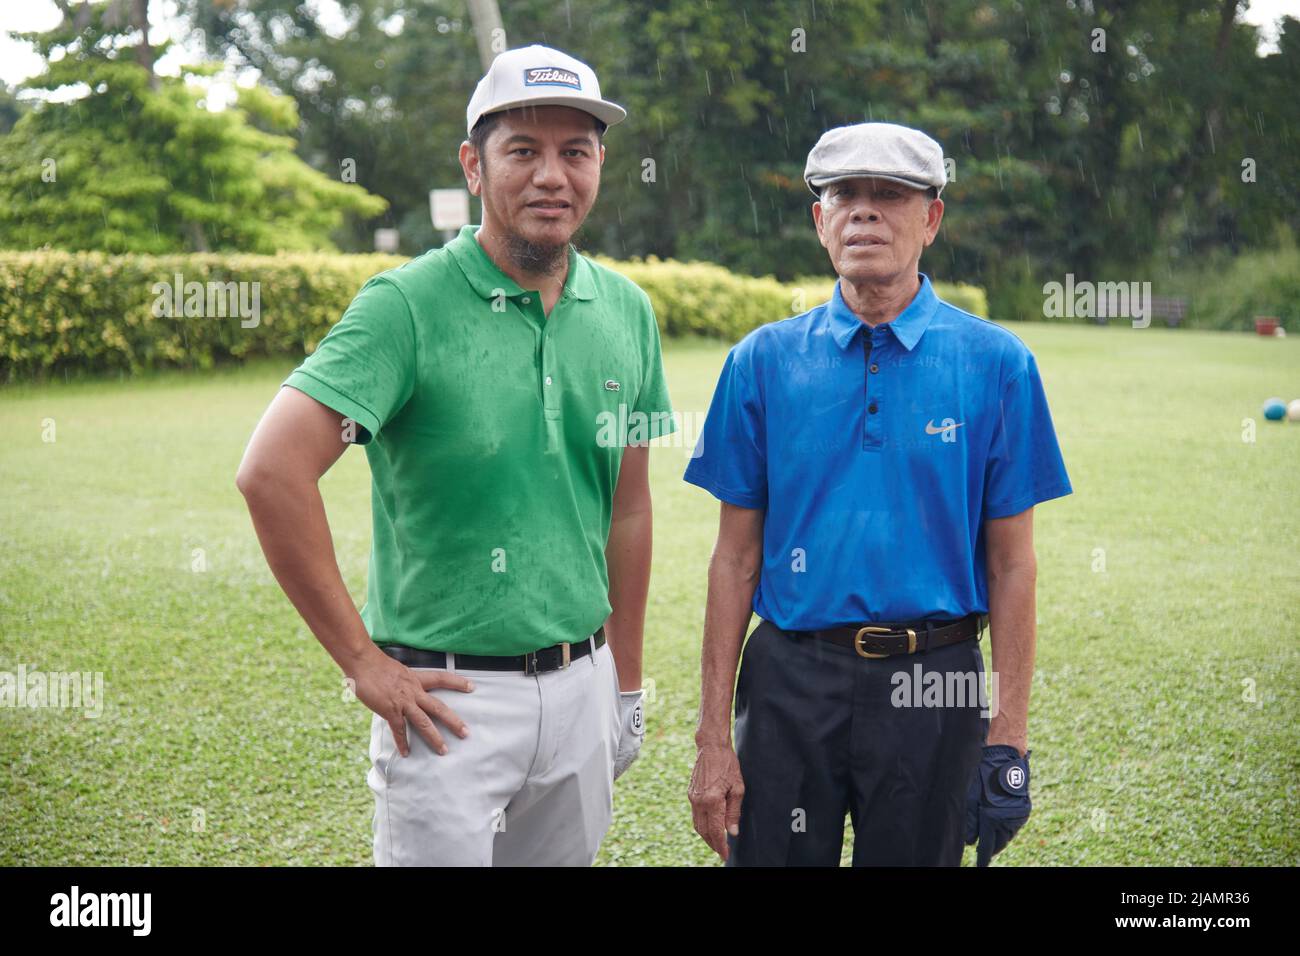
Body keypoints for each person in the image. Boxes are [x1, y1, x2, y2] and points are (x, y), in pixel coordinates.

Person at [236, 44, 675, 866]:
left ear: (600, 165)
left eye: (575, 152)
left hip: (583, 686)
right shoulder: (404, 308)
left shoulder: (625, 311)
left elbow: (628, 506)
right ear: (474, 167)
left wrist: (624, 685)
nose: (553, 176)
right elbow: (271, 472)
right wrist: (364, 664)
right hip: (448, 708)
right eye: (523, 151)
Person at [683, 121, 1072, 866]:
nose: (865, 212)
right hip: (789, 680)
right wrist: (710, 738)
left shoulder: (998, 364)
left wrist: (1010, 736)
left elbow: (1013, 565)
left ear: (931, 218)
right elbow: (734, 560)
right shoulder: (761, 361)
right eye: (845, 196)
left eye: (890, 195)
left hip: (936, 681)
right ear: (819, 220)